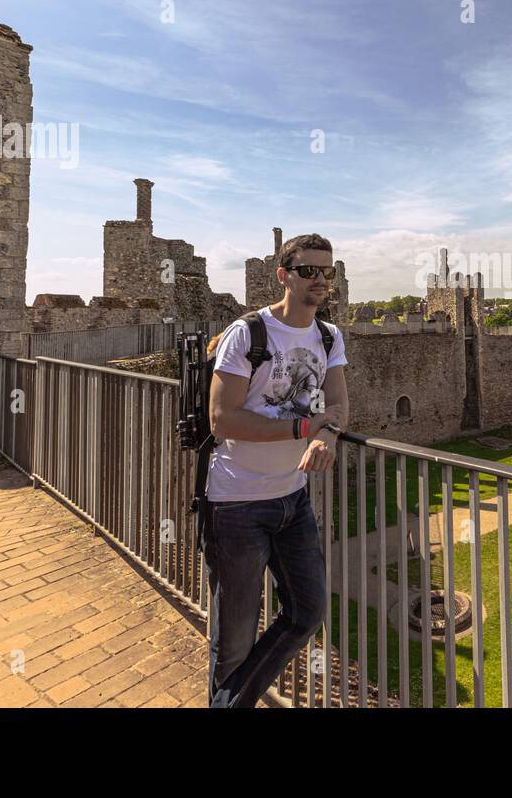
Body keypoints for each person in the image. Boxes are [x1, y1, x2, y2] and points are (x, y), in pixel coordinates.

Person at [202, 233, 349, 707]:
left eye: (327, 271)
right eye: (309, 271)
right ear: (283, 275)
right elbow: (222, 419)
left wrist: (328, 434)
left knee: (307, 613)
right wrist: (304, 427)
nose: (320, 280)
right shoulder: (248, 333)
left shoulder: (329, 336)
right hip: (237, 503)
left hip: (293, 499)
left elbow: (339, 402)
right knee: (234, 641)